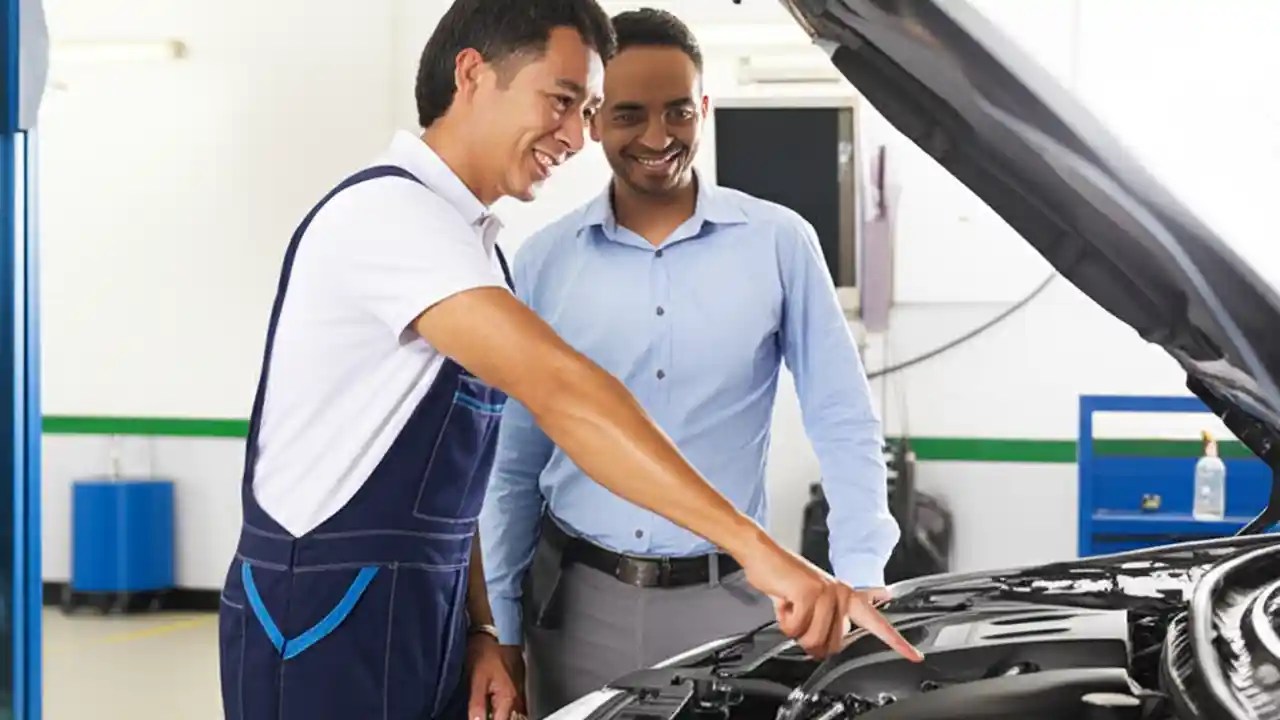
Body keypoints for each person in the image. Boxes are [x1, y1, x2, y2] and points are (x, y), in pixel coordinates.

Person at [217, 1, 921, 719]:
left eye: (585, 109)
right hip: (329, 618)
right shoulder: (393, 217)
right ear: (472, 74)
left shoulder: (474, 245)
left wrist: (484, 628)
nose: (577, 137)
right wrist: (762, 549)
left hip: (422, 610)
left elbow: (463, 480)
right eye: (563, 101)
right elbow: (562, 397)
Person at [478, 8, 905, 717]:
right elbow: (513, 463)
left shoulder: (779, 243)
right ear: (591, 120)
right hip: (577, 607)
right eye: (628, 114)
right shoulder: (544, 260)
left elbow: (842, 419)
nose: (657, 136)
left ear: (703, 107)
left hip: (732, 605)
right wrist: (504, 629)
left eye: (678, 110)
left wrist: (861, 575)